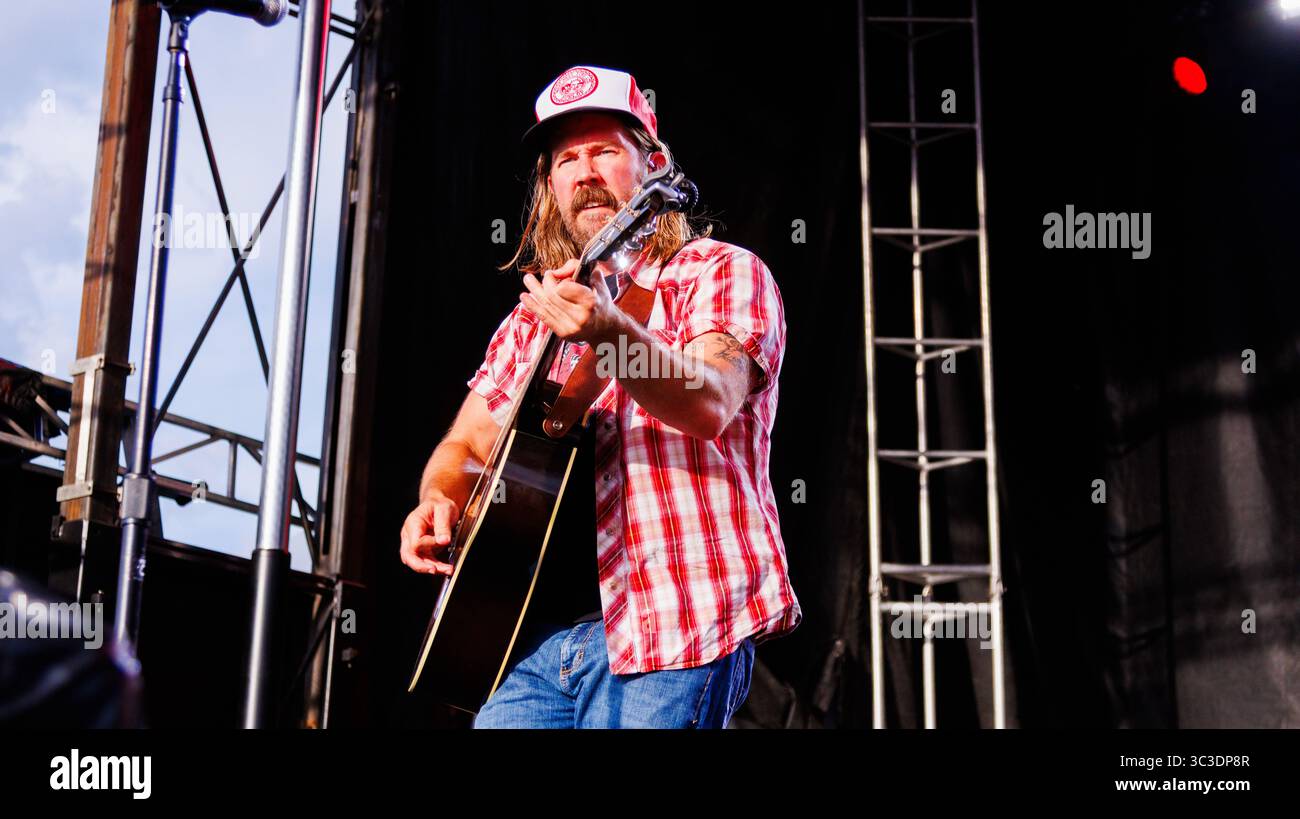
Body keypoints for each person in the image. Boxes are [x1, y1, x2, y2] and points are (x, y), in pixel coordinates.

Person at [399, 65, 800, 728]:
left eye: (606, 150)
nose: (585, 171)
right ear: (550, 186)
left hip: (677, 627)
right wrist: (438, 498)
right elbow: (465, 443)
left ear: (655, 165)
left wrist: (608, 334)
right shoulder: (532, 321)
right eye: (567, 159)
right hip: (527, 645)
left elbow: (710, 400)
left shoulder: (718, 272)